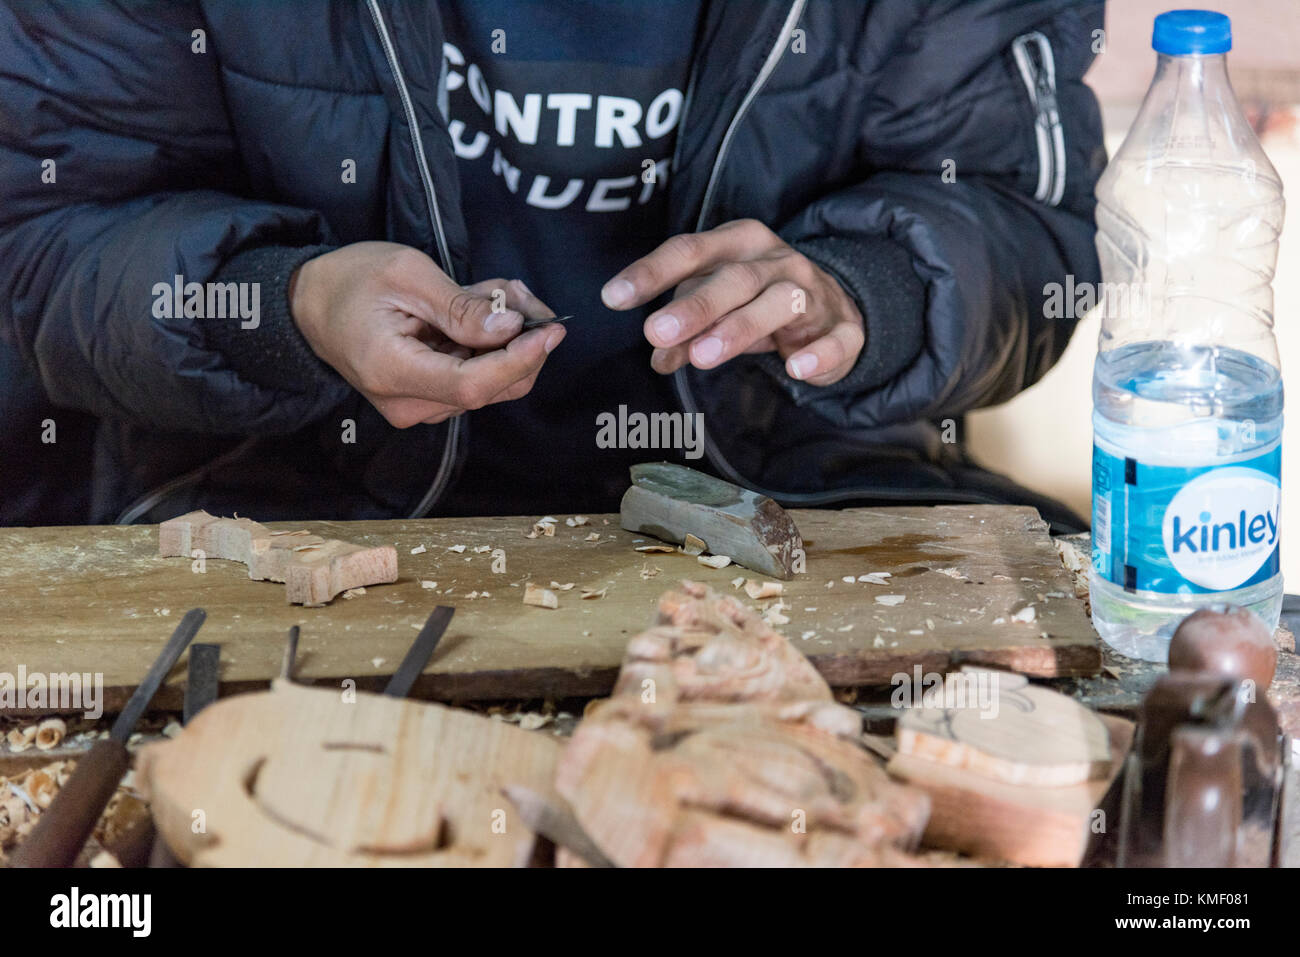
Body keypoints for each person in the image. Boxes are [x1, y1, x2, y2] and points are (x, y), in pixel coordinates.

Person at [0, 0, 1106, 527]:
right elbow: (45, 245)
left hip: (805, 500)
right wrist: (287, 309)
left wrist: (866, 295)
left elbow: (1026, 228)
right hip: (279, 507)